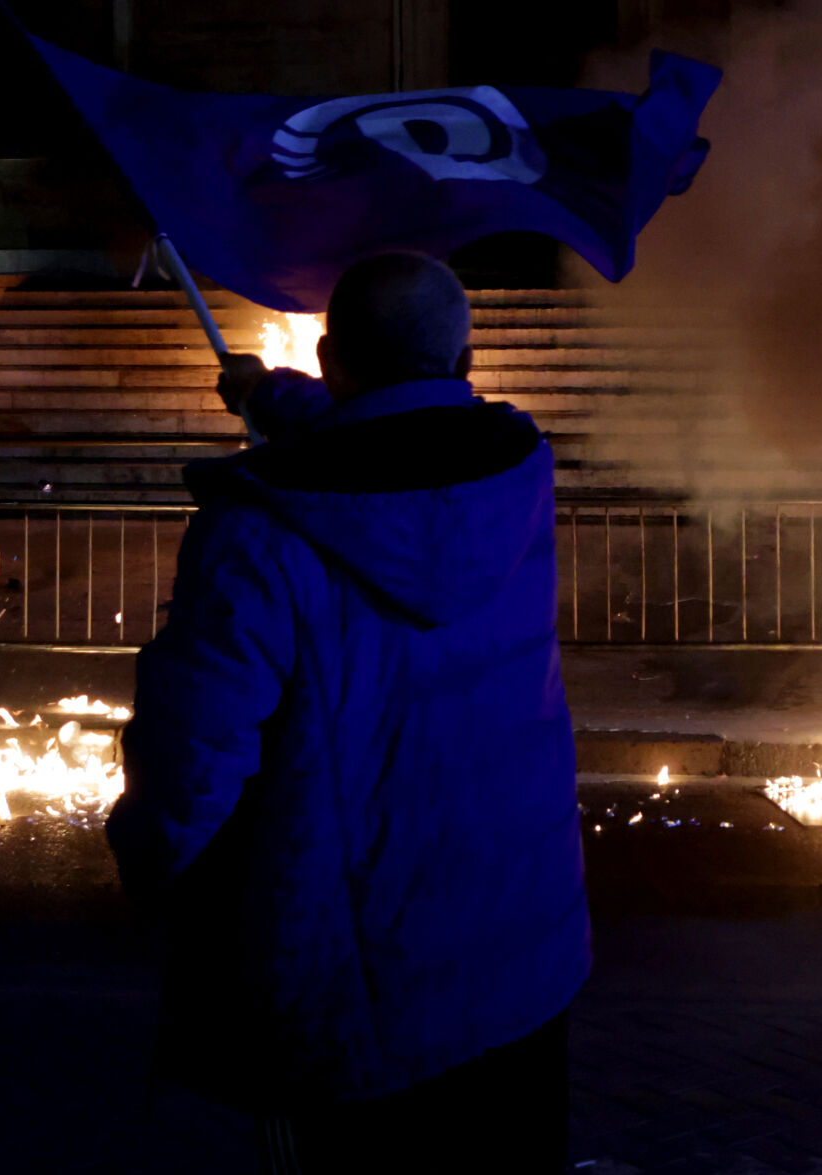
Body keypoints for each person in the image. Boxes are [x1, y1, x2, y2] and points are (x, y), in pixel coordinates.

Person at [106, 253, 588, 1173]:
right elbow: (399, 451)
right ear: (467, 356)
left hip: (356, 992)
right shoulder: (517, 472)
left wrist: (149, 868)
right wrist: (270, 399)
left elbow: (190, 762)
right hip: (522, 964)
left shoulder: (256, 534)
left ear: (328, 357)